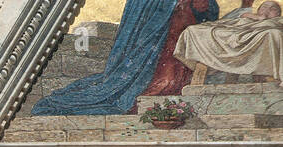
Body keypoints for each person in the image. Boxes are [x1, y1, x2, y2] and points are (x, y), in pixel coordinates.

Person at [32, 0, 219, 115]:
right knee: (163, 84)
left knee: (172, 82)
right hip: (160, 42)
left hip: (183, 34)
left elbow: (209, 10)